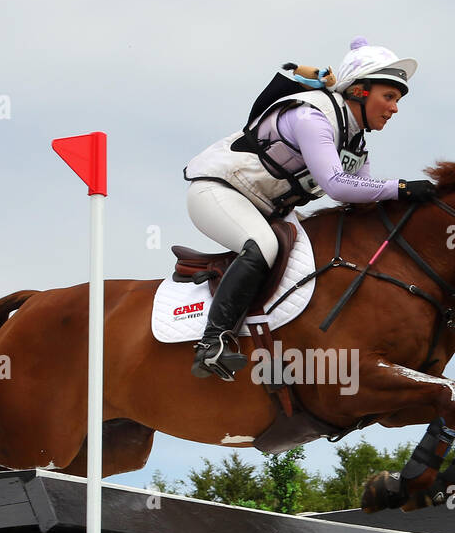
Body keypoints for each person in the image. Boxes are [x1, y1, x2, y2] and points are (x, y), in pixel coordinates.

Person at [183, 36, 437, 380]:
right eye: (388, 97)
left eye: (396, 100)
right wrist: (402, 188)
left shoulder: (355, 141)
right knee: (263, 247)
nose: (394, 108)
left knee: (318, 260)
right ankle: (211, 344)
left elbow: (357, 195)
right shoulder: (312, 117)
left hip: (267, 209)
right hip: (219, 191)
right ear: (359, 91)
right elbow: (336, 184)